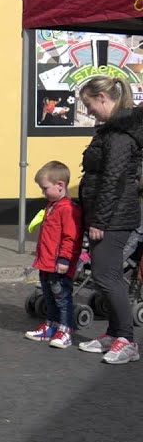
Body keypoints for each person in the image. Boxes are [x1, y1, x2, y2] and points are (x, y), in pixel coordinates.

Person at [75, 76, 143, 364]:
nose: (89, 111)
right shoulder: (113, 129)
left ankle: (127, 340)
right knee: (108, 275)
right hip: (109, 214)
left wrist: (99, 221)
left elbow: (113, 181)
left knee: (106, 276)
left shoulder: (119, 134)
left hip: (113, 217)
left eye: (89, 104)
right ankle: (114, 334)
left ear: (103, 97)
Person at [24, 160, 83, 349]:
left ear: (60, 185)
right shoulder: (52, 206)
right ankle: (51, 326)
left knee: (62, 298)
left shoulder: (68, 209)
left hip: (58, 264)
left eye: (45, 188)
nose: (43, 192)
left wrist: (64, 259)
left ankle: (65, 331)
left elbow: (70, 237)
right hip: (46, 262)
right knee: (49, 296)